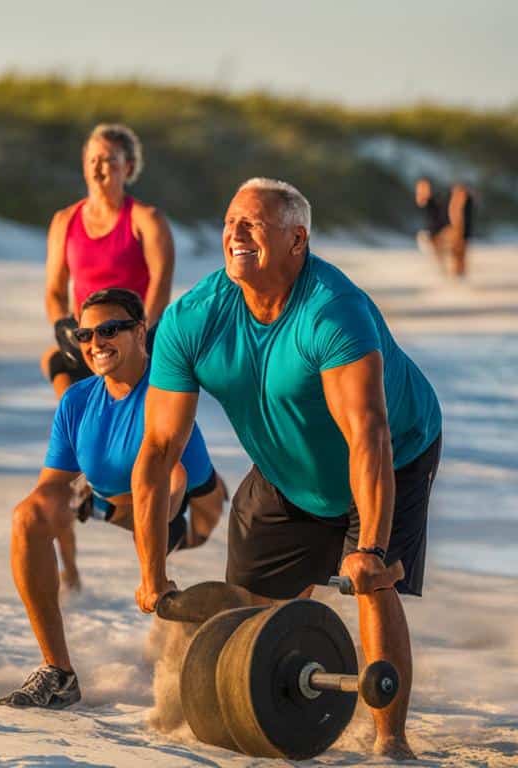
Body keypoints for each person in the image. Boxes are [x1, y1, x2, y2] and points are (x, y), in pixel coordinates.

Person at [132, 178, 442, 759]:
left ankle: (390, 739)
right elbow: (156, 451)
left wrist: (370, 549)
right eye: (230, 223)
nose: (234, 234)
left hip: (390, 453)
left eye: (252, 224)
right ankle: (267, 711)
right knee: (248, 605)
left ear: (297, 238)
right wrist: (152, 570)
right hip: (285, 468)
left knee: (373, 584)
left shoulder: (332, 310)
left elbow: (368, 434)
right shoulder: (192, 319)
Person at [0, 289, 224, 709]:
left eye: (109, 330)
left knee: (145, 496)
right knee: (28, 515)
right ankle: (58, 673)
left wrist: (151, 575)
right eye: (85, 335)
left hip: (190, 515)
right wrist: (47, 515)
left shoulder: (167, 393)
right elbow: (50, 487)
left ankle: (99, 507)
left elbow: (170, 488)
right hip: (125, 505)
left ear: (141, 333)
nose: (95, 343)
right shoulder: (77, 400)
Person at [42, 123, 175, 395]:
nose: (99, 167)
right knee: (53, 360)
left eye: (109, 160)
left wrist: (139, 334)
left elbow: (160, 285)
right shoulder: (64, 221)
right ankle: (76, 426)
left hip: (135, 336)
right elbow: (55, 291)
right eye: (92, 159)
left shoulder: (147, 219)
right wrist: (63, 326)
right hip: (89, 338)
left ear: (128, 167)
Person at [413, 177, 450, 273]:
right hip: (430, 231)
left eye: (424, 187)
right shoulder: (424, 201)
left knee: (439, 252)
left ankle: (443, 269)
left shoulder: (435, 199)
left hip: (438, 229)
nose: (422, 190)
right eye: (420, 188)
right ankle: (442, 269)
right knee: (435, 253)